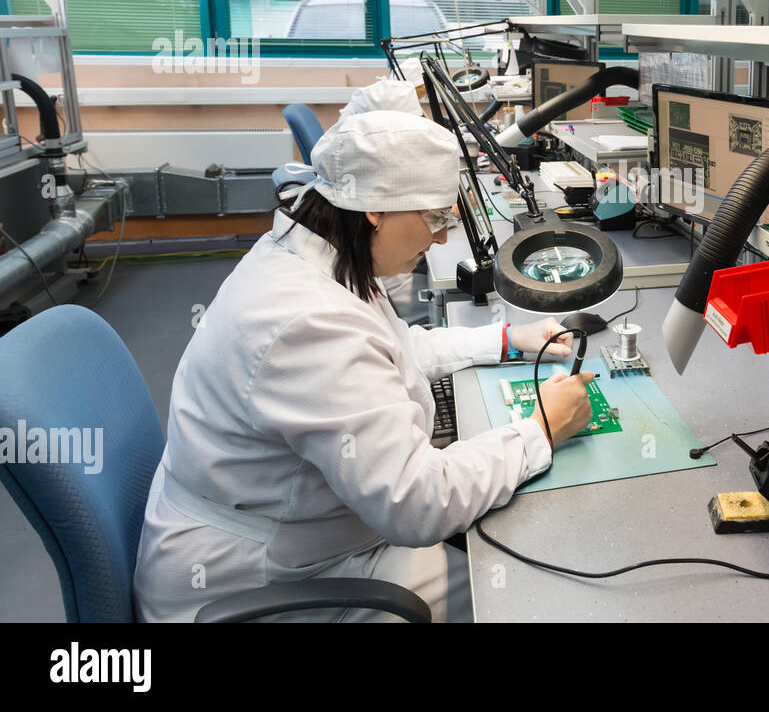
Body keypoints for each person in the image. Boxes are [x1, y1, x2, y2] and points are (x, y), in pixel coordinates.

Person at [133, 110, 593, 621]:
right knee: (525, 600)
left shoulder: (313, 251)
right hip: (256, 585)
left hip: (301, 532)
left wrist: (504, 339)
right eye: (435, 218)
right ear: (375, 208)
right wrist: (540, 432)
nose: (441, 240)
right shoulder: (307, 321)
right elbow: (418, 502)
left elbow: (386, 352)